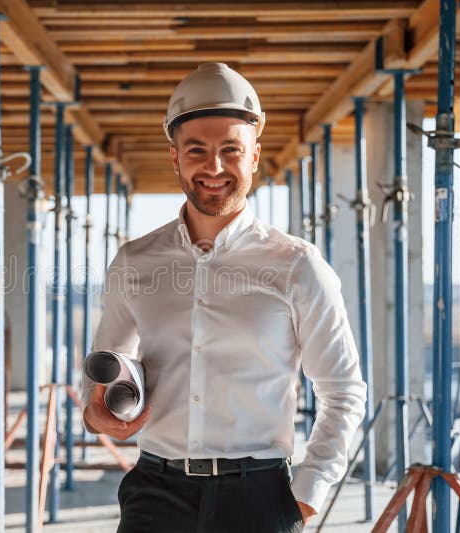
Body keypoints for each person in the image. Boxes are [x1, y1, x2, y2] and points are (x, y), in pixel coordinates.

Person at [82, 62, 366, 533]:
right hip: (155, 491)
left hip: (258, 499)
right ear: (175, 158)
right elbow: (102, 368)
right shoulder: (135, 261)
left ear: (254, 155)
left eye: (230, 150)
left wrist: (307, 497)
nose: (213, 167)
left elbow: (344, 392)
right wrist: (95, 417)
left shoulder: (297, 266)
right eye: (196, 150)